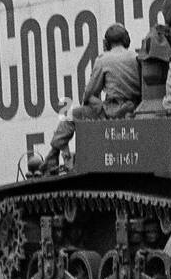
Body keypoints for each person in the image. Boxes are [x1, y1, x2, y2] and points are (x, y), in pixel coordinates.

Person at [44, 23, 141, 171]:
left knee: (72, 115)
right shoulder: (136, 57)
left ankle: (52, 155)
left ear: (107, 43)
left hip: (112, 113)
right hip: (134, 111)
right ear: (126, 40)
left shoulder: (103, 60)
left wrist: (92, 104)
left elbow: (89, 93)